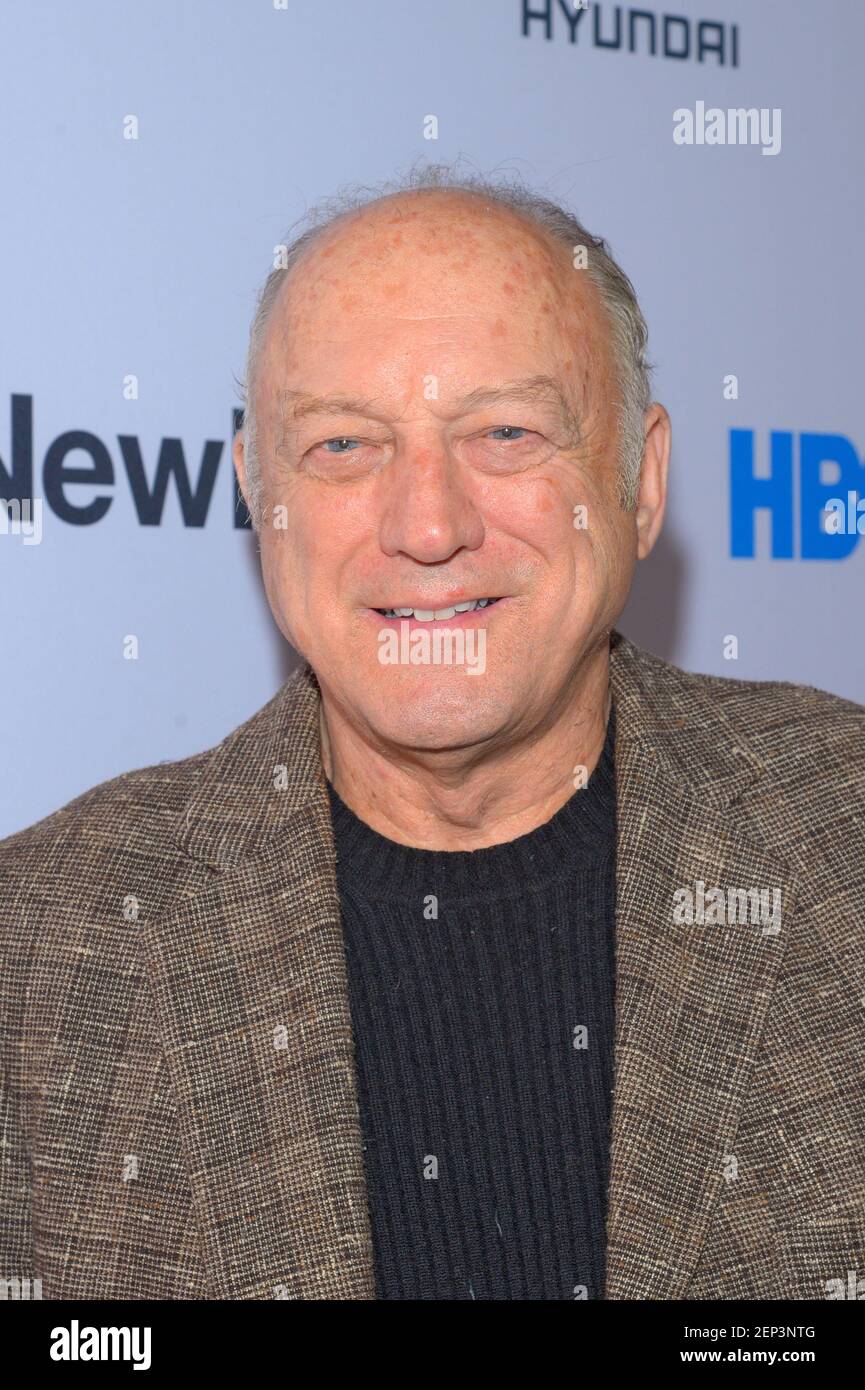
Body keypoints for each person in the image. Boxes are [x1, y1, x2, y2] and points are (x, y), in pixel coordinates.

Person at [2, 166, 863, 1301]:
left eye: (505, 431)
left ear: (641, 483)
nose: (428, 524)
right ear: (262, 501)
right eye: (344, 447)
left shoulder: (839, 836)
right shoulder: (38, 951)